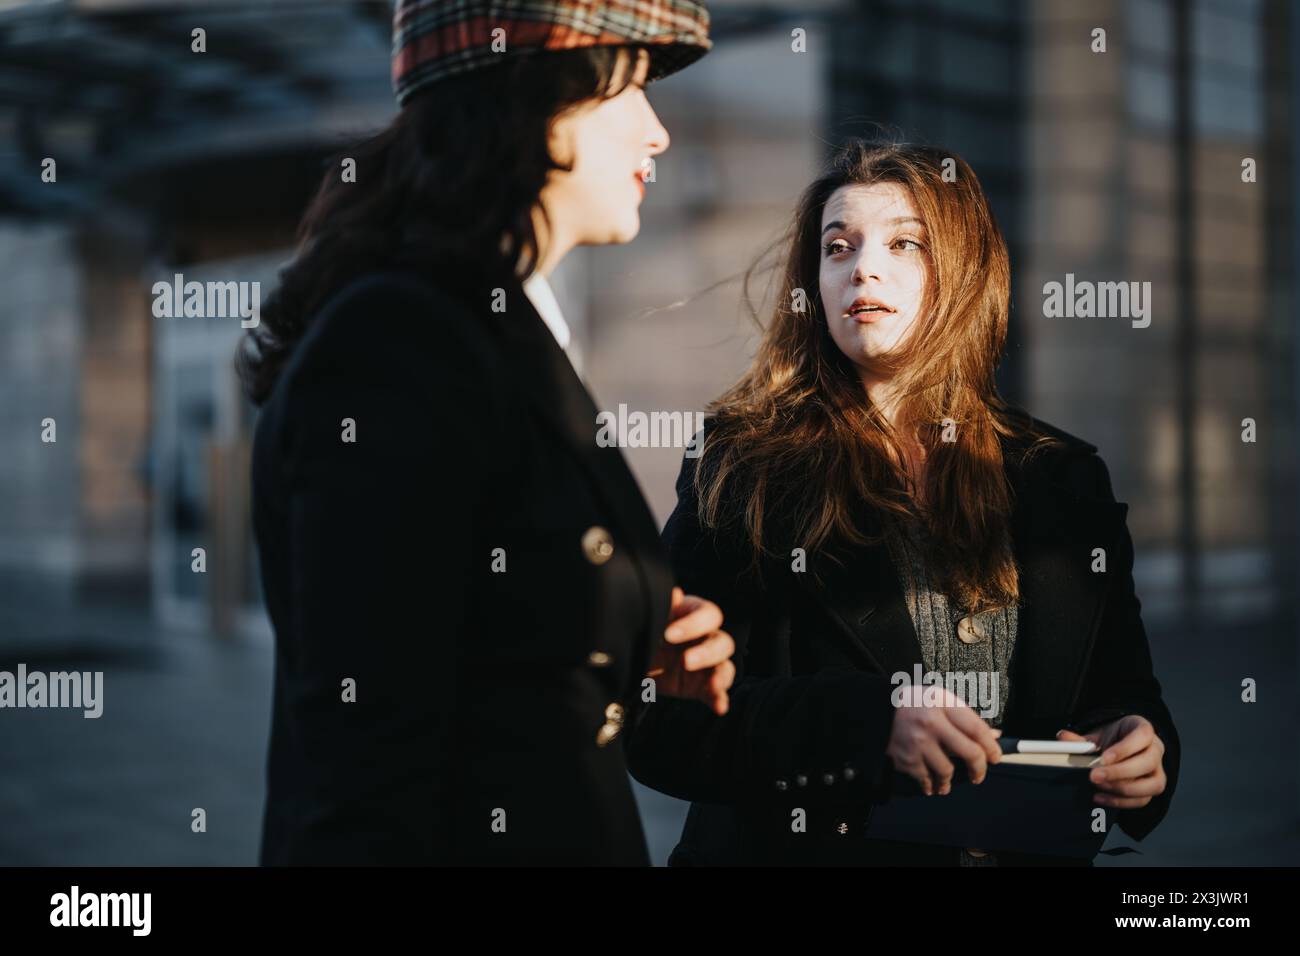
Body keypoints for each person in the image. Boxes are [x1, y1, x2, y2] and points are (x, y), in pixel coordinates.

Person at [240, 0, 735, 865]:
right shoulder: (400, 343)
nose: (657, 133)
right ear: (535, 91)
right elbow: (365, 769)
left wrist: (631, 631)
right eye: (632, 90)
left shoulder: (488, 329)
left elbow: (484, 629)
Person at [625, 138, 1180, 866]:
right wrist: (866, 727)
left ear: (966, 271)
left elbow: (1122, 691)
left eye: (905, 243)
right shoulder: (743, 465)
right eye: (838, 247)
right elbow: (659, 722)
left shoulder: (1063, 480)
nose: (864, 268)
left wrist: (1139, 746)